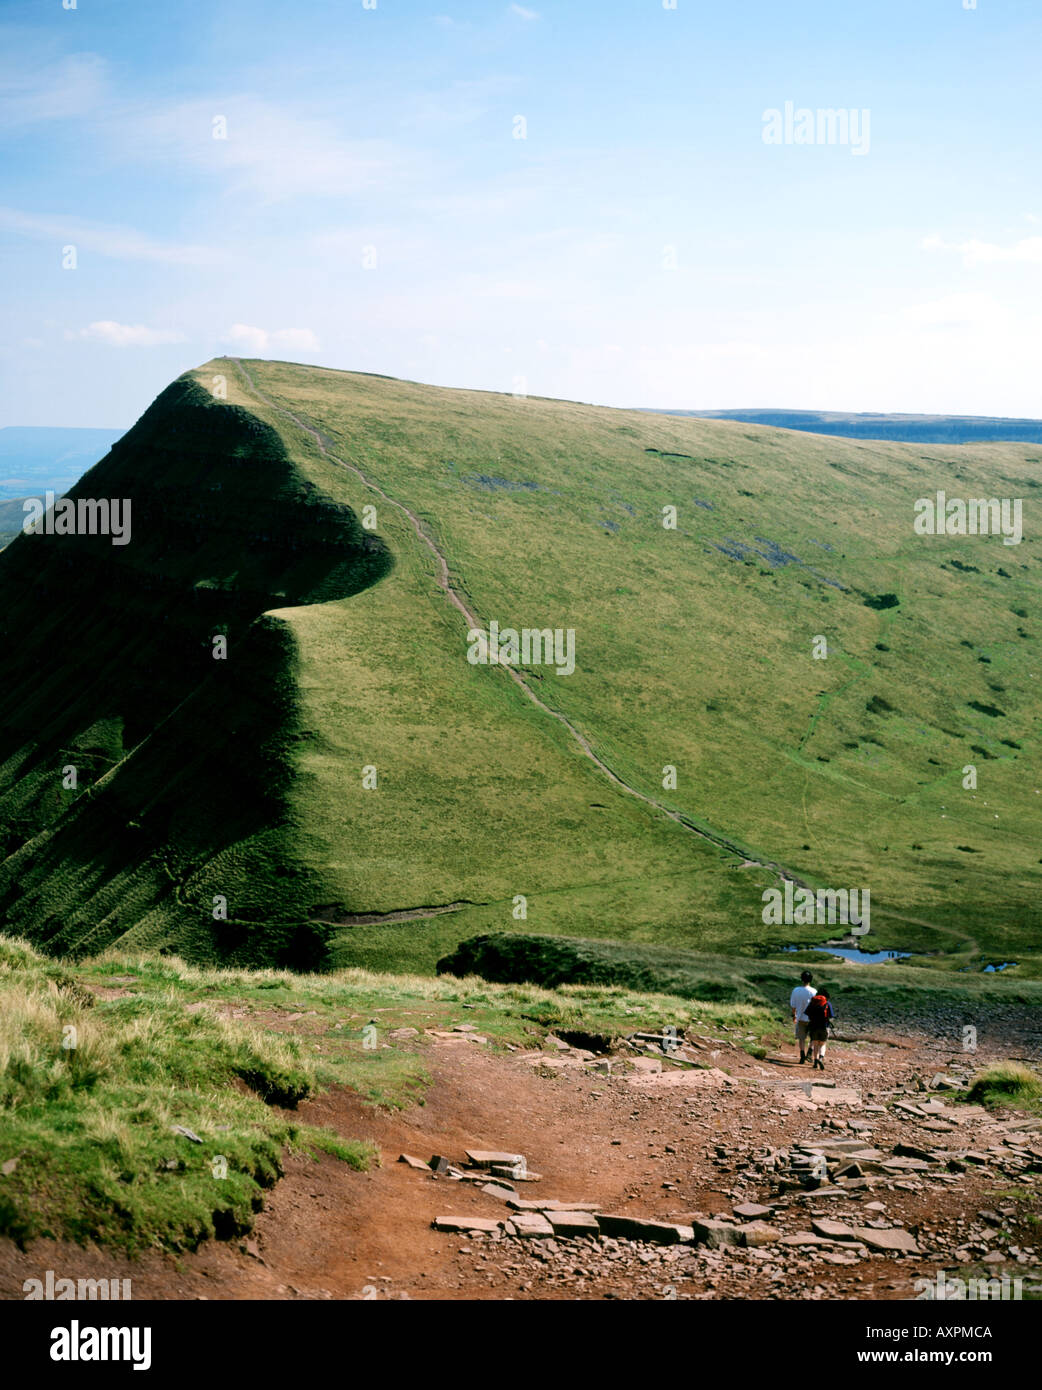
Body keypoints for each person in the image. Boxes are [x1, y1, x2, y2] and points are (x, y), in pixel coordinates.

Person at [789, 970, 816, 1064]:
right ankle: (809, 1052)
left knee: (801, 1038)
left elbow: (793, 1005)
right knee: (813, 1037)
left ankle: (802, 1055)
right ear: (811, 979)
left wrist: (794, 1016)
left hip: (800, 1017)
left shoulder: (796, 990)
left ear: (802, 979)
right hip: (812, 1019)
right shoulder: (814, 991)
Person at [805, 987, 831, 1070]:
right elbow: (831, 1016)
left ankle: (815, 1061)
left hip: (813, 1027)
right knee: (822, 1044)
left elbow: (807, 1013)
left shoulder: (812, 1002)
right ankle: (820, 1058)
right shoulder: (827, 1003)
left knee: (815, 1044)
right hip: (824, 1027)